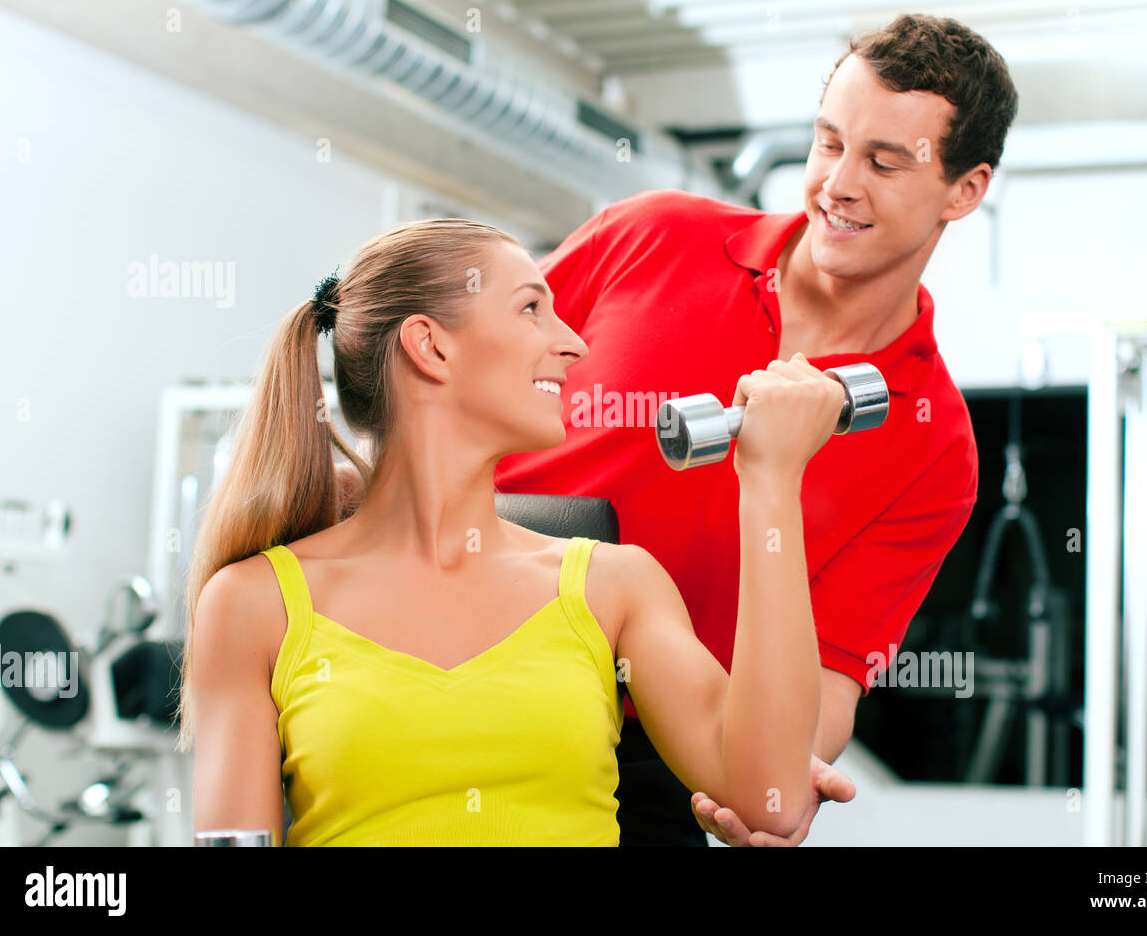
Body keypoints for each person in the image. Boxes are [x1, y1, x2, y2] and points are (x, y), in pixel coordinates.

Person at [481, 13, 1020, 846]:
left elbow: (832, 680)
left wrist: (773, 773)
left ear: (965, 189)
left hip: (642, 751)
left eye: (882, 162)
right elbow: (456, 395)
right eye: (828, 142)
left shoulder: (934, 447)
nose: (838, 184)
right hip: (439, 667)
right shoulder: (649, 236)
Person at [180, 217, 850, 845]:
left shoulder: (613, 585)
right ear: (430, 346)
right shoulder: (252, 605)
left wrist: (770, 483)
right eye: (532, 308)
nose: (573, 342)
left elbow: (771, 798)